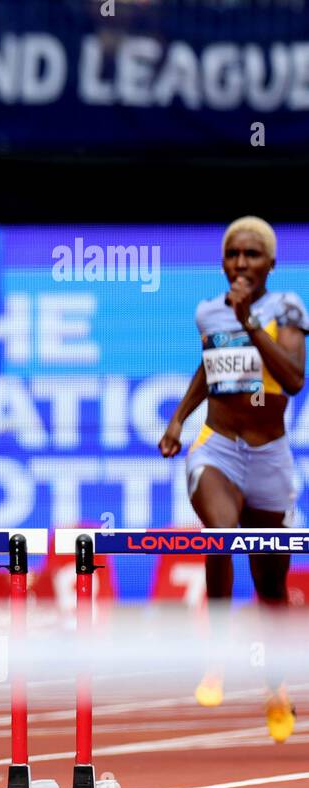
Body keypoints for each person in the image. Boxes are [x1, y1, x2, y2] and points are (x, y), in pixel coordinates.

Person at [159, 216, 303, 742]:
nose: (241, 264)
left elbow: (292, 378)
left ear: (270, 263)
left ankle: (276, 687)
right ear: (223, 260)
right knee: (220, 533)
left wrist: (248, 325)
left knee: (270, 587)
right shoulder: (207, 311)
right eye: (233, 255)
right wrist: (179, 417)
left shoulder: (286, 308)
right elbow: (209, 365)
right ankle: (216, 657)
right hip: (216, 447)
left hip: (269, 459)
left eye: (252, 255)